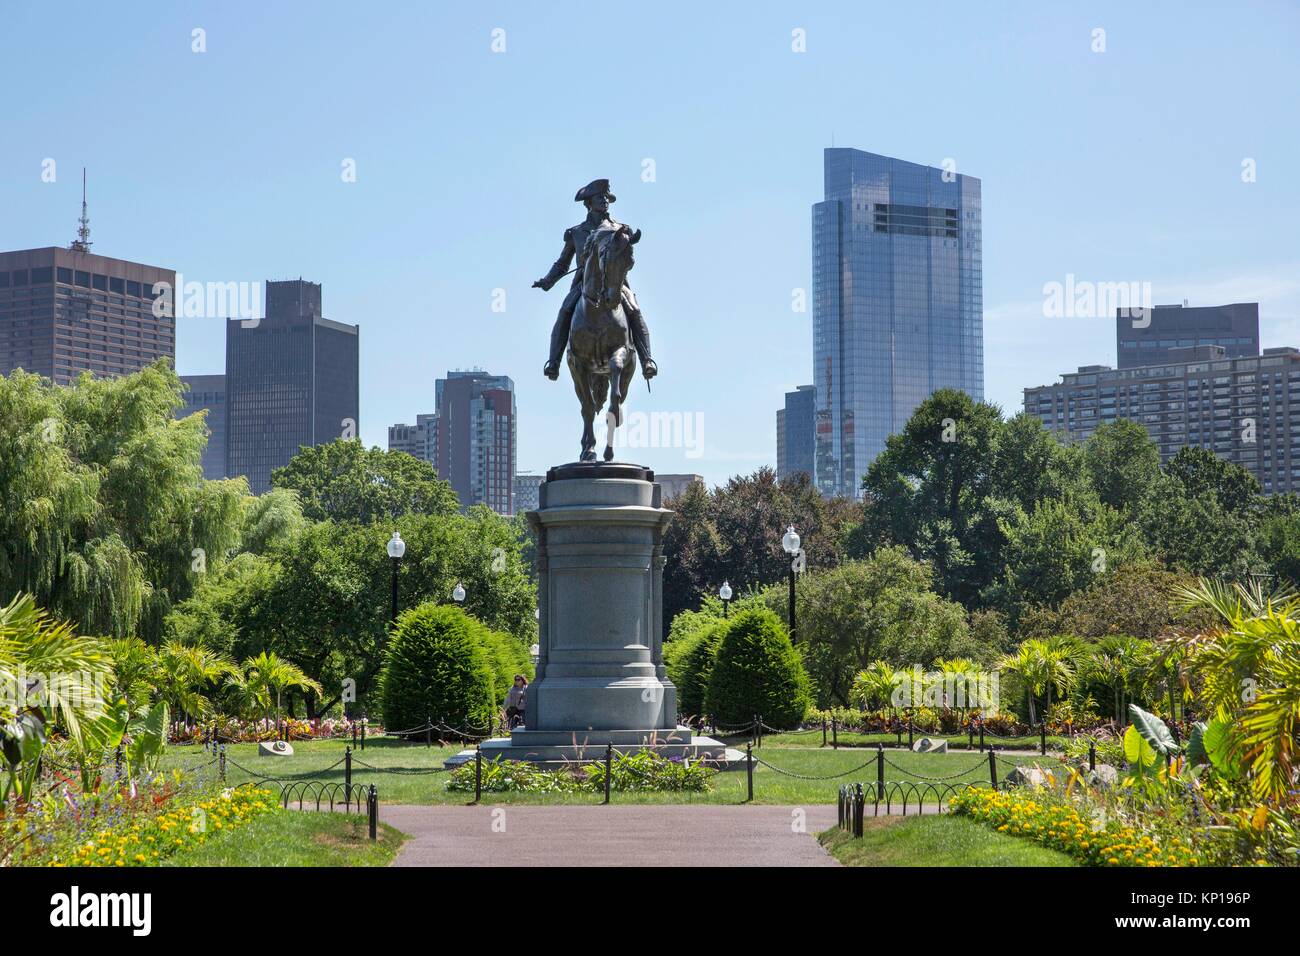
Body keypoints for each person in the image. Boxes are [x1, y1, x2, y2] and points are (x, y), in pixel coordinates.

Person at [533, 178, 657, 382]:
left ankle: (647, 360)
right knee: (565, 311)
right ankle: (553, 362)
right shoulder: (577, 233)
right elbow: (563, 263)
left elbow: (628, 260)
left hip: (615, 283)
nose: (605, 201)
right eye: (600, 198)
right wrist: (548, 281)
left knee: (634, 310)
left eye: (607, 198)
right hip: (584, 284)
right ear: (589, 203)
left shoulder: (621, 230)